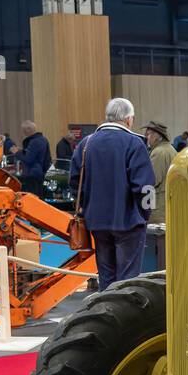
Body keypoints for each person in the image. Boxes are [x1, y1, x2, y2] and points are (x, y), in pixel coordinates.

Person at [72, 97, 156, 291]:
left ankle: (106, 314)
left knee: (106, 277)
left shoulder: (86, 143)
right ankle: (125, 320)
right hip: (129, 222)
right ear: (129, 120)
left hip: (97, 222)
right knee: (127, 280)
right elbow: (146, 187)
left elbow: (75, 183)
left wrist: (87, 208)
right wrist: (144, 215)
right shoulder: (134, 144)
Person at [143, 121, 175, 226]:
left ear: (156, 136)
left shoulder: (158, 152)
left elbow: (153, 179)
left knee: (160, 238)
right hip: (168, 202)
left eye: (148, 134)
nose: (146, 138)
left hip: (159, 206)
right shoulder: (170, 149)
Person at [16, 121, 50, 196]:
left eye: (24, 130)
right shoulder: (44, 139)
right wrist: (23, 151)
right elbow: (47, 158)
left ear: (28, 129)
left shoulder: (33, 142)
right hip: (40, 173)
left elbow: (28, 159)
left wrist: (17, 153)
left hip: (31, 174)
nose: (24, 133)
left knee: (32, 198)